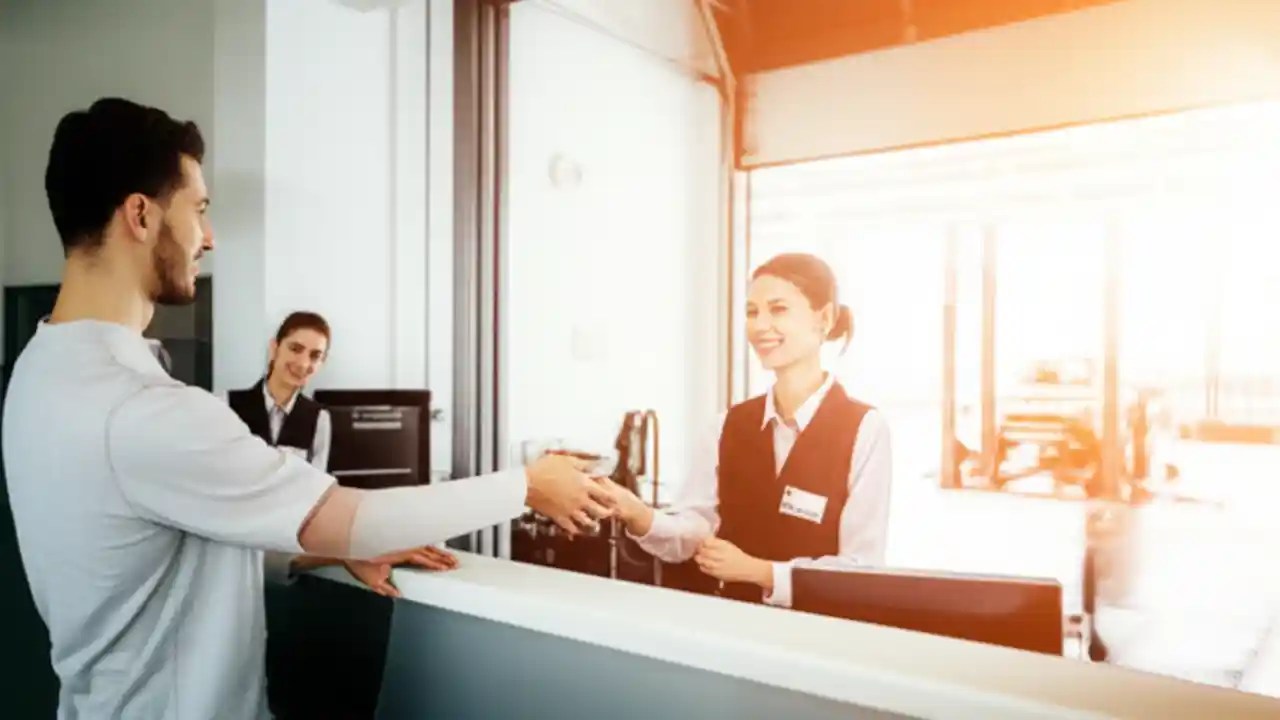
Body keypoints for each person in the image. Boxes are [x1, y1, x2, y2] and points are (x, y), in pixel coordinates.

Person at [0, 97, 612, 719]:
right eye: (200, 210)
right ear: (140, 214)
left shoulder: (37, 374)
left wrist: (326, 547)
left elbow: (158, 550)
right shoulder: (148, 410)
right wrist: (526, 487)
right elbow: (353, 517)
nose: (208, 238)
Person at [602, 252, 892, 607]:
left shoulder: (864, 429)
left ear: (825, 319)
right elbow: (696, 530)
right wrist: (637, 513)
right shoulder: (726, 425)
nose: (759, 325)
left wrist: (762, 572)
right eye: (752, 312)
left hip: (818, 634)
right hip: (733, 625)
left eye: (778, 309)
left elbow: (861, 568)